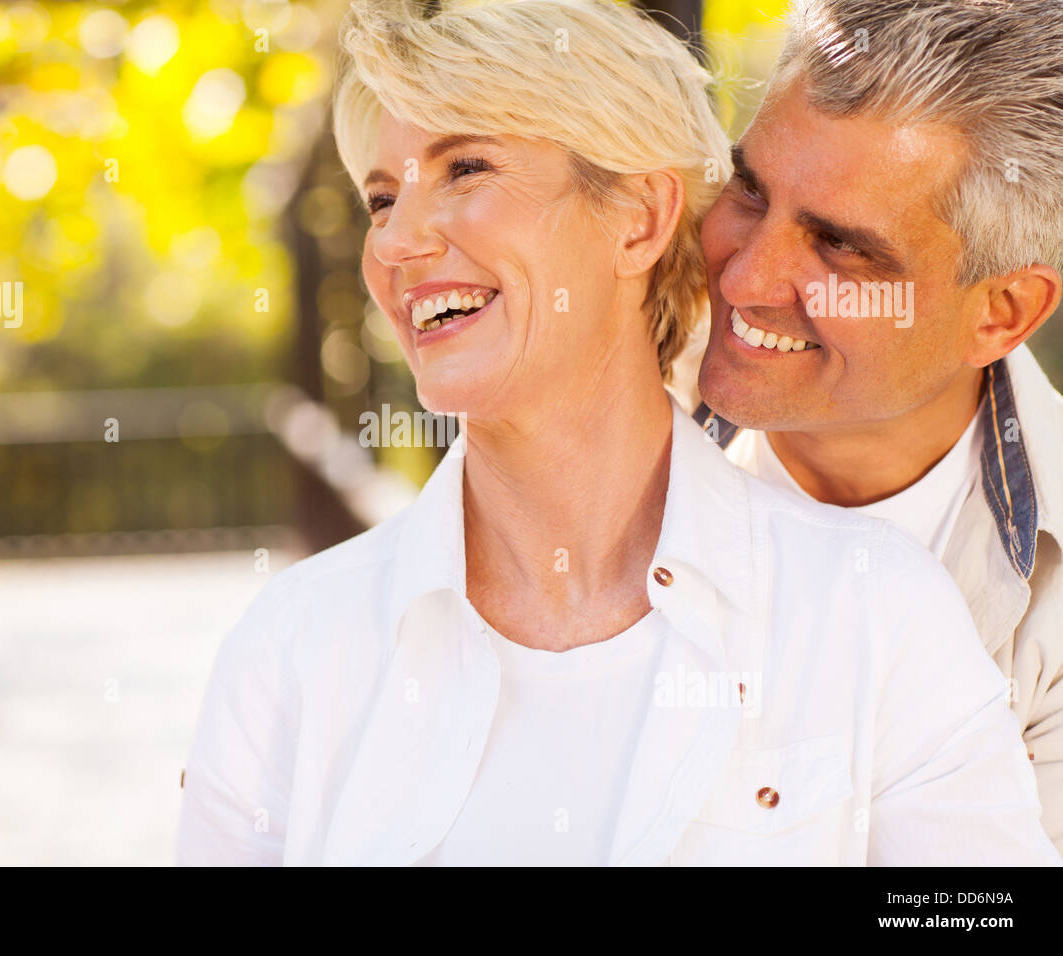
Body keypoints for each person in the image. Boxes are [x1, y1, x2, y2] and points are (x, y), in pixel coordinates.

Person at [177, 0, 1057, 865]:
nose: (397, 241)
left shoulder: (885, 612)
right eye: (379, 198)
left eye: (469, 168)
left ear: (638, 216)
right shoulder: (291, 646)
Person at [688, 0, 1063, 852]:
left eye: (842, 248)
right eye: (750, 189)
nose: (745, 279)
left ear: (1002, 312)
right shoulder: (601, 403)